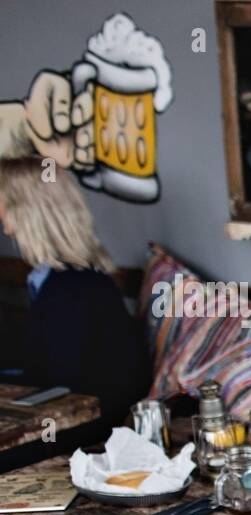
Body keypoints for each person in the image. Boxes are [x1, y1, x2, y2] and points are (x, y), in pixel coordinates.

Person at [0, 157, 148, 469]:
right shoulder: (58, 278)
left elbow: (60, 385)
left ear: (26, 209)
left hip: (84, 428)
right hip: (61, 416)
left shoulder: (75, 289)